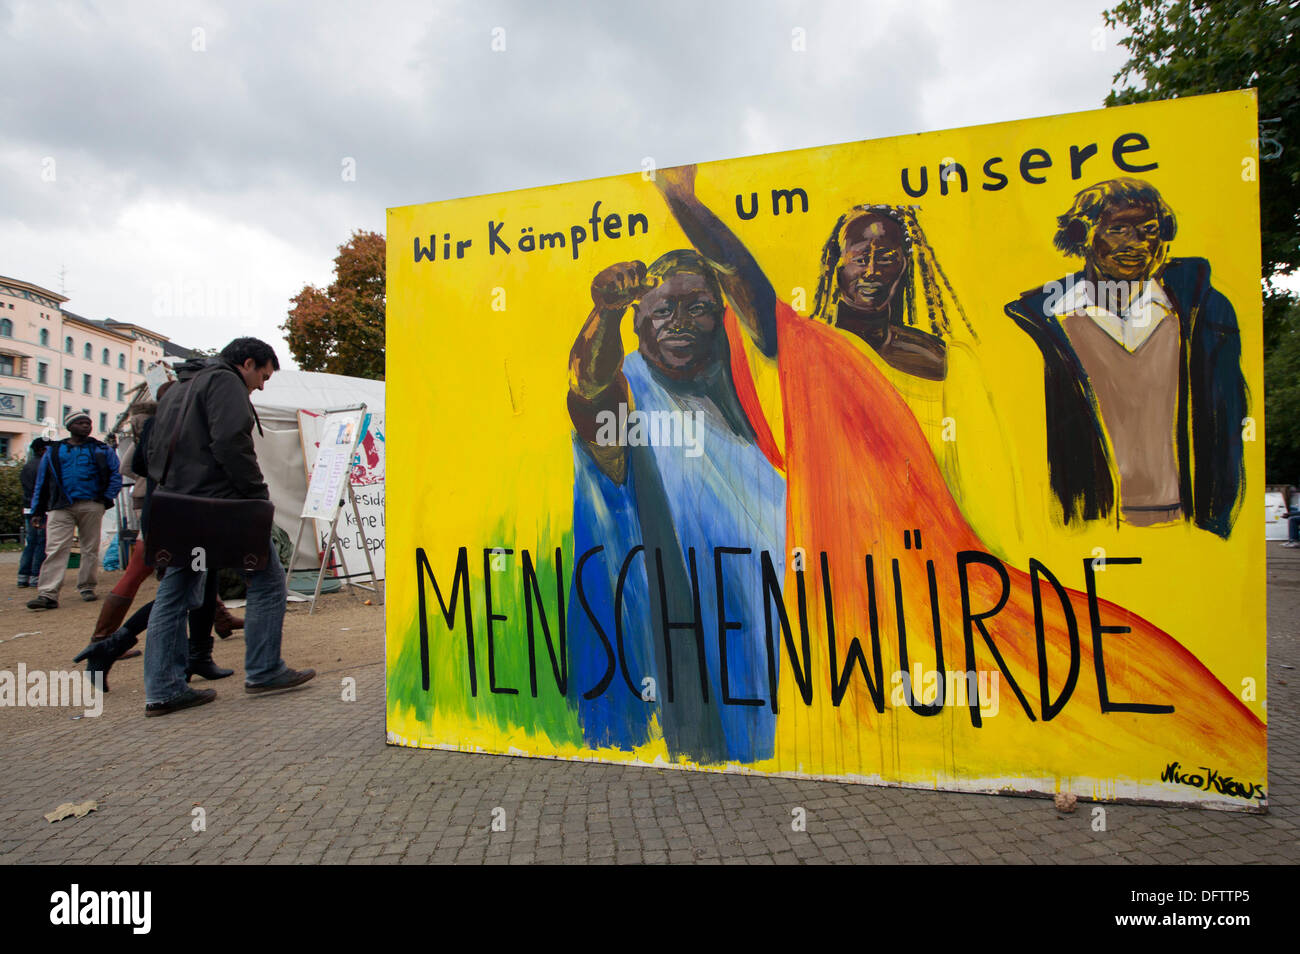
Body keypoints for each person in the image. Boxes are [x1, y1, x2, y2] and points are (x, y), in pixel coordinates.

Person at [567, 240, 785, 764]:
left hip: (773, 619)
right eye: (661, 310)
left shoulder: (756, 389)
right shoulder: (632, 391)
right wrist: (605, 312)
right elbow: (588, 391)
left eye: (698, 308)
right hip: (676, 630)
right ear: (639, 324)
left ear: (723, 319)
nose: (678, 322)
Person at [1004, 177, 1247, 537]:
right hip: (1085, 530)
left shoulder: (1205, 312)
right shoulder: (1041, 321)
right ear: (1083, 237)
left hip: (1188, 529)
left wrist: (1217, 521)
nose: (1135, 244)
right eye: (1117, 230)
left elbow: (1229, 422)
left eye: (1148, 231)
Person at [140, 337, 314, 716]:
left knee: (174, 592)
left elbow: (150, 451)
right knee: (267, 580)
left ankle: (162, 689)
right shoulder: (225, 383)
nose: (262, 386)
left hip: (176, 501)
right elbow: (231, 442)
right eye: (263, 376)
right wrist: (256, 494)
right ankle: (265, 670)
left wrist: (170, 489)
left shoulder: (177, 390)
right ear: (247, 363)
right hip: (221, 503)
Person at [26, 411, 122, 610]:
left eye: (88, 423)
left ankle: (87, 586)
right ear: (69, 426)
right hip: (60, 506)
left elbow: (116, 473)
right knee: (55, 548)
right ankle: (48, 593)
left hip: (92, 503)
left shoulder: (101, 449)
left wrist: (106, 498)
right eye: (80, 423)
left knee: (90, 547)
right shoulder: (54, 451)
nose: (86, 426)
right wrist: (37, 510)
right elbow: (42, 481)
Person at [17, 437, 50, 587]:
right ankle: (36, 575)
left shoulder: (28, 466)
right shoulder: (44, 465)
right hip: (40, 509)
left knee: (31, 541)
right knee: (41, 542)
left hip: (29, 507)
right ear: (42, 450)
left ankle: (23, 576)